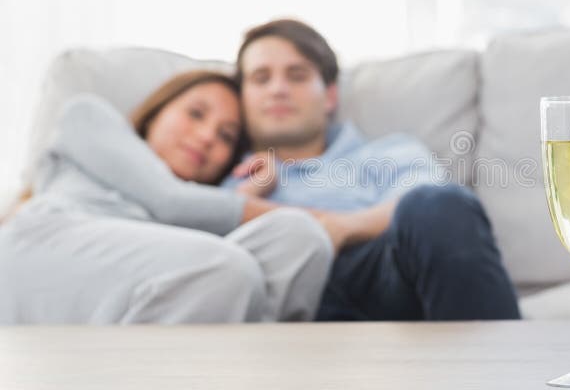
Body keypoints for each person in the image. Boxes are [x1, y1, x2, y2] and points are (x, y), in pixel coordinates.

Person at [225, 19, 521, 320]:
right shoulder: (229, 178)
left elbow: (428, 205)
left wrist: (341, 228)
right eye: (261, 78)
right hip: (289, 298)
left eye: (297, 76)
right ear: (242, 97)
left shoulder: (389, 153)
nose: (278, 89)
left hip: (388, 280)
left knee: (438, 204)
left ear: (330, 96)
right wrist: (246, 197)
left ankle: (496, 351)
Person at [0, 70, 337, 324]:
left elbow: (187, 210)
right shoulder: (88, 115)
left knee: (300, 237)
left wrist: (246, 190)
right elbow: (170, 200)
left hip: (150, 273)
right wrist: (335, 221)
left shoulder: (192, 238)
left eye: (226, 136)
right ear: (156, 113)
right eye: (196, 114)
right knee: (224, 270)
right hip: (49, 236)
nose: (207, 136)